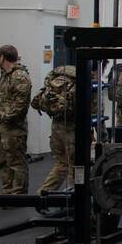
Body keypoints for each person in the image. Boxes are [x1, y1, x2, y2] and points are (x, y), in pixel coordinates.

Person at [0, 44, 31, 195]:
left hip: (14, 129)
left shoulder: (19, 76)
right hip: (2, 128)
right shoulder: (6, 75)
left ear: (2, 57)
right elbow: (3, 100)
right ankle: (7, 193)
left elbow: (20, 106)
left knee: (16, 162)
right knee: (4, 162)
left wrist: (0, 115)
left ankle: (18, 195)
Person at [31, 64, 77, 194]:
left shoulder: (58, 77)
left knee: (62, 163)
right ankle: (71, 200)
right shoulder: (84, 79)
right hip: (73, 129)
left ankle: (41, 195)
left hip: (56, 126)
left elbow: (37, 102)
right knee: (74, 165)